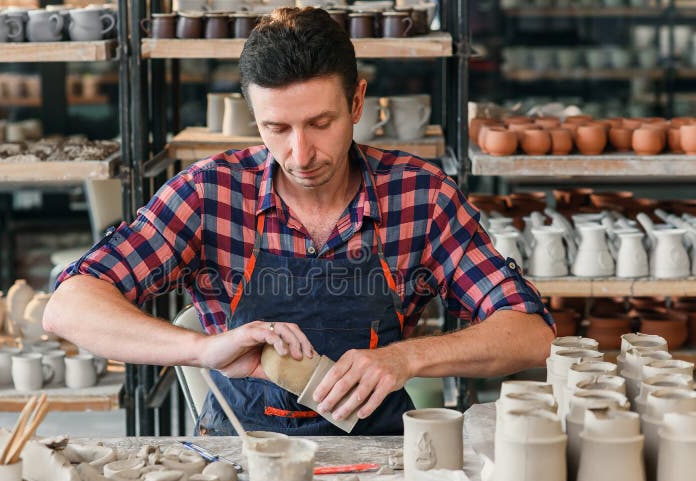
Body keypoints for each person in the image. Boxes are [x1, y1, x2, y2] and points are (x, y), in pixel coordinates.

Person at [44, 7, 555, 436]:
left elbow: (531, 333)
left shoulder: (421, 196)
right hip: (241, 449)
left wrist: (407, 359)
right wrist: (202, 349)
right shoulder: (211, 193)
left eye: (320, 123)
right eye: (277, 128)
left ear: (357, 102)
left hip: (378, 452)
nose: (301, 152)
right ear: (253, 118)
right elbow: (68, 307)